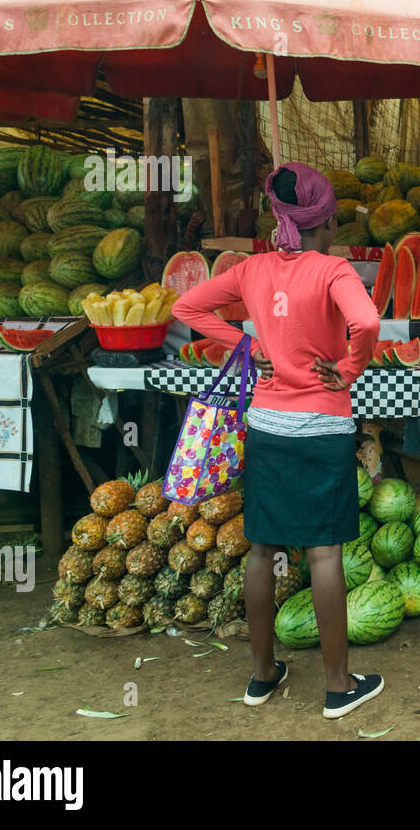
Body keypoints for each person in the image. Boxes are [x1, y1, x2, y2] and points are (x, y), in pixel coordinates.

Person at [173, 163, 383, 720]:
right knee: (323, 552)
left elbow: (186, 307)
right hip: (322, 426)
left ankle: (263, 675)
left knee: (262, 549)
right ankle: (339, 685)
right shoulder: (334, 269)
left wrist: (245, 344)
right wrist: (349, 367)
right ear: (328, 220)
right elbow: (367, 320)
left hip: (266, 425)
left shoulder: (252, 270)